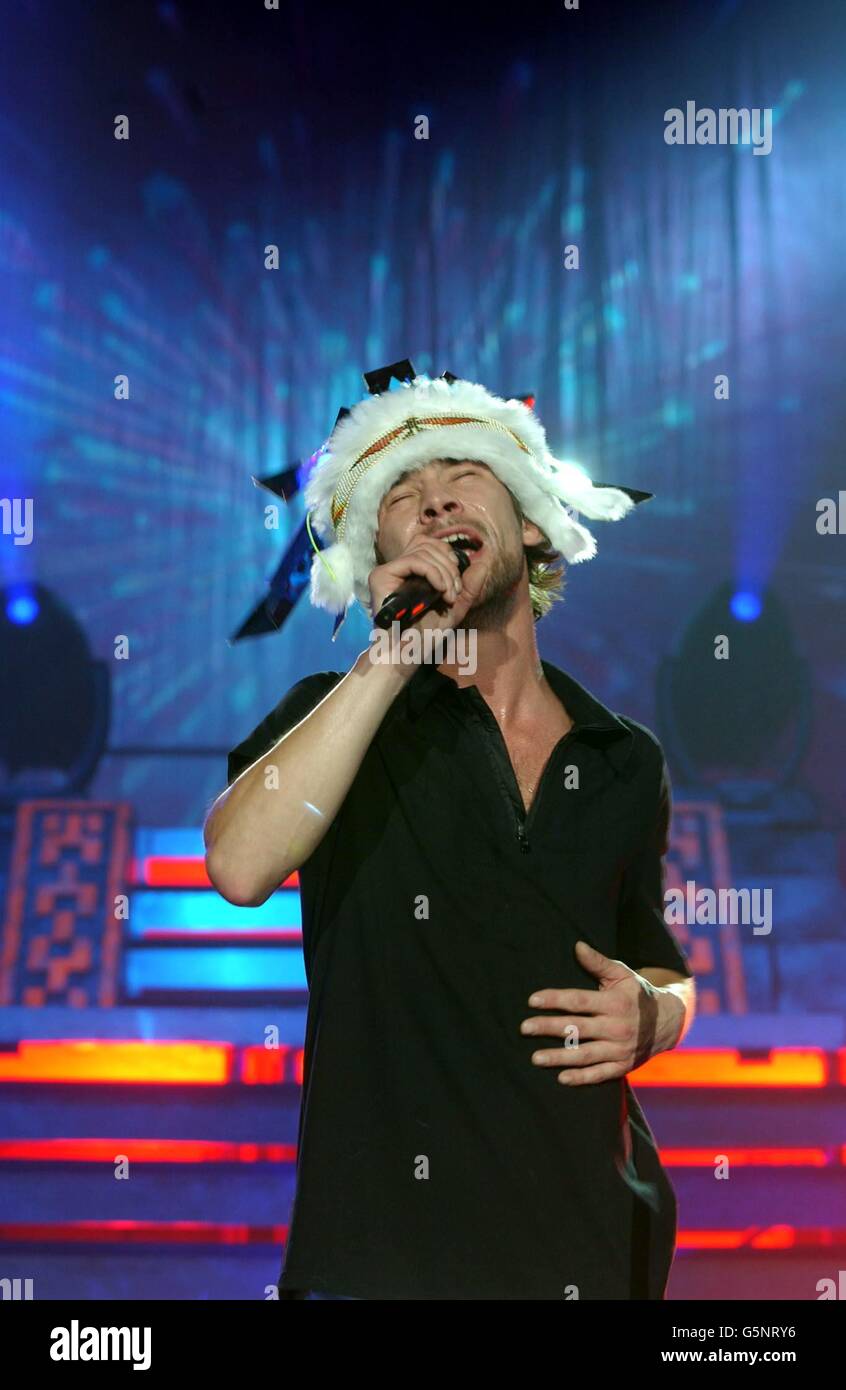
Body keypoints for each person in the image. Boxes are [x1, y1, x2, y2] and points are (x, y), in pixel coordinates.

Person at [204, 372, 696, 1300]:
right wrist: (392, 653)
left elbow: (659, 964)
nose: (433, 501)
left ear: (536, 525)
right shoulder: (334, 720)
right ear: (372, 555)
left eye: (465, 474)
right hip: (381, 1263)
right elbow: (238, 864)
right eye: (399, 495)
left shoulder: (625, 758)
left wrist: (661, 1012)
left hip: (595, 1252)